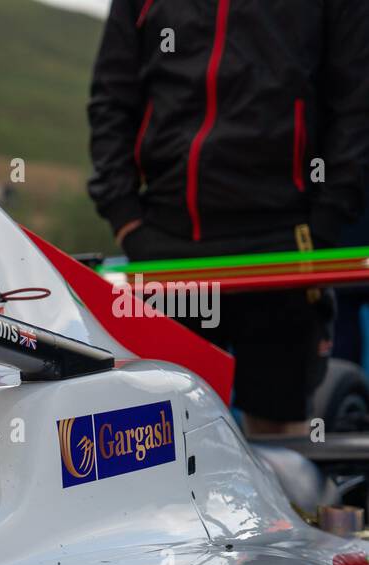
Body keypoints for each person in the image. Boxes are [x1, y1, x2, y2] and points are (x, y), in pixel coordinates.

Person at [87, 0, 369, 437]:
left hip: (282, 248)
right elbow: (111, 95)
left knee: (281, 441)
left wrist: (326, 224)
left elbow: (356, 102)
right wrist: (127, 220)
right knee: (161, 435)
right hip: (166, 247)